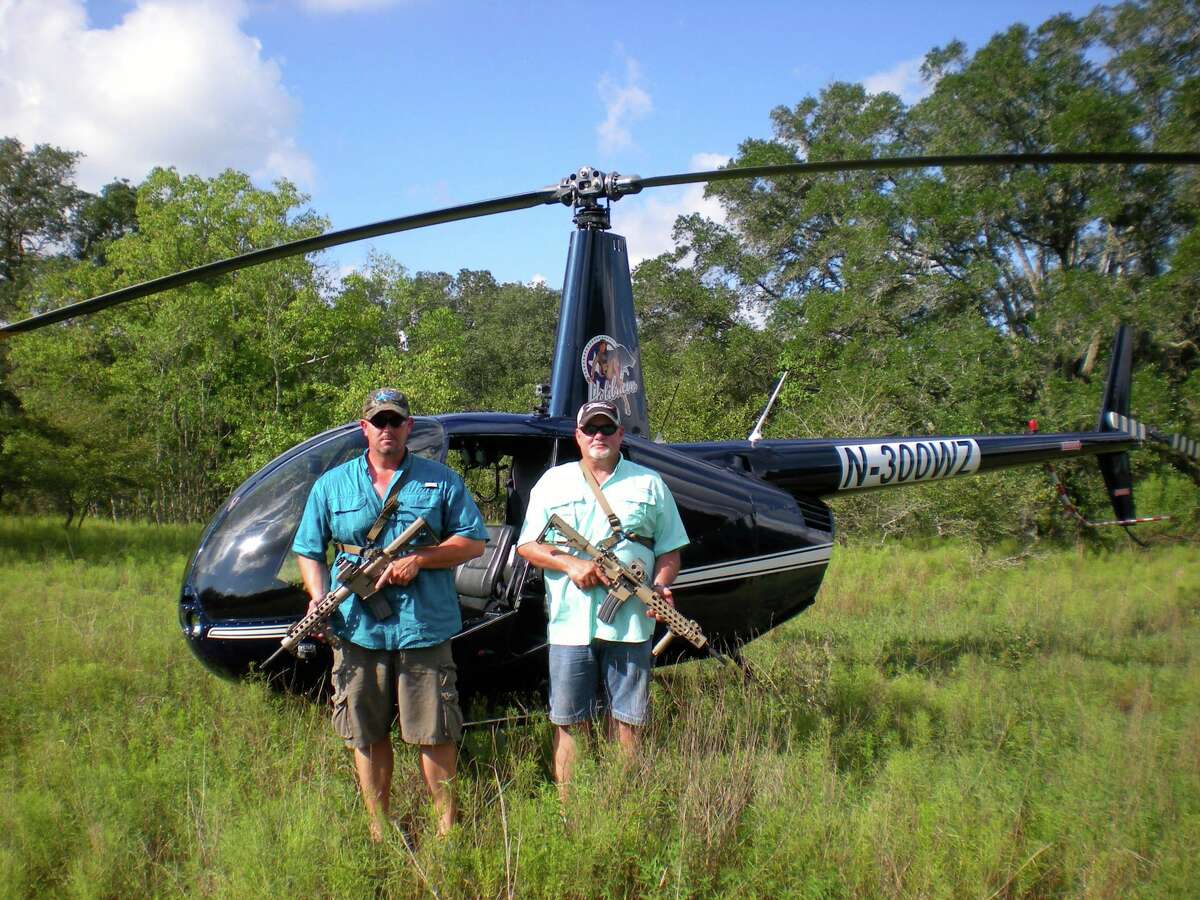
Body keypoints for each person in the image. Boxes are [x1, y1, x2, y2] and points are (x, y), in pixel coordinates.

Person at [292, 388, 487, 840]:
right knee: (366, 730)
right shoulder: (333, 484)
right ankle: (379, 829)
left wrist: (419, 559)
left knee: (435, 731)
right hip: (356, 629)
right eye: (378, 421)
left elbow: (472, 542)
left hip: (423, 626)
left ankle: (446, 831)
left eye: (395, 421)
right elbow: (308, 548)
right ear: (364, 428)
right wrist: (318, 597)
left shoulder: (441, 481)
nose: (386, 429)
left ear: (408, 428)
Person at [516, 400, 689, 795]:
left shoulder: (649, 483)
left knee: (627, 721)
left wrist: (660, 585)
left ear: (620, 435)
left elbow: (670, 550)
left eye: (607, 428)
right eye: (590, 429)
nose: (599, 436)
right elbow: (528, 545)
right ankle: (569, 810)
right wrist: (571, 566)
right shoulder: (553, 483)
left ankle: (621, 804)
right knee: (569, 720)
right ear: (577, 436)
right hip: (570, 624)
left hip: (631, 625)